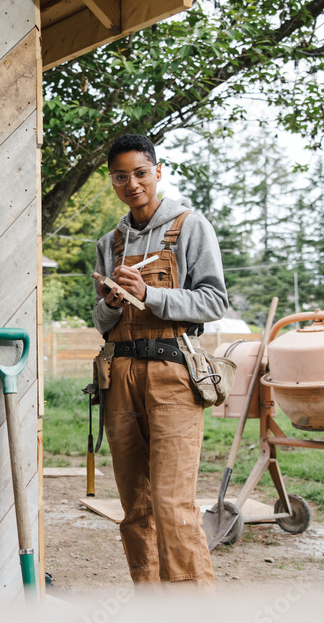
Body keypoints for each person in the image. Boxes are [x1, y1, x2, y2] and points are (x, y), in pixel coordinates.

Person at [92, 134, 227, 591]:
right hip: (120, 375)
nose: (131, 184)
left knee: (172, 504)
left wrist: (150, 294)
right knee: (135, 507)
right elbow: (99, 320)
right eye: (120, 176)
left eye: (140, 173)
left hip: (172, 374)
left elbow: (213, 301)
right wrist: (112, 300)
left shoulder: (191, 226)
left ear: (158, 172)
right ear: (112, 181)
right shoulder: (109, 242)